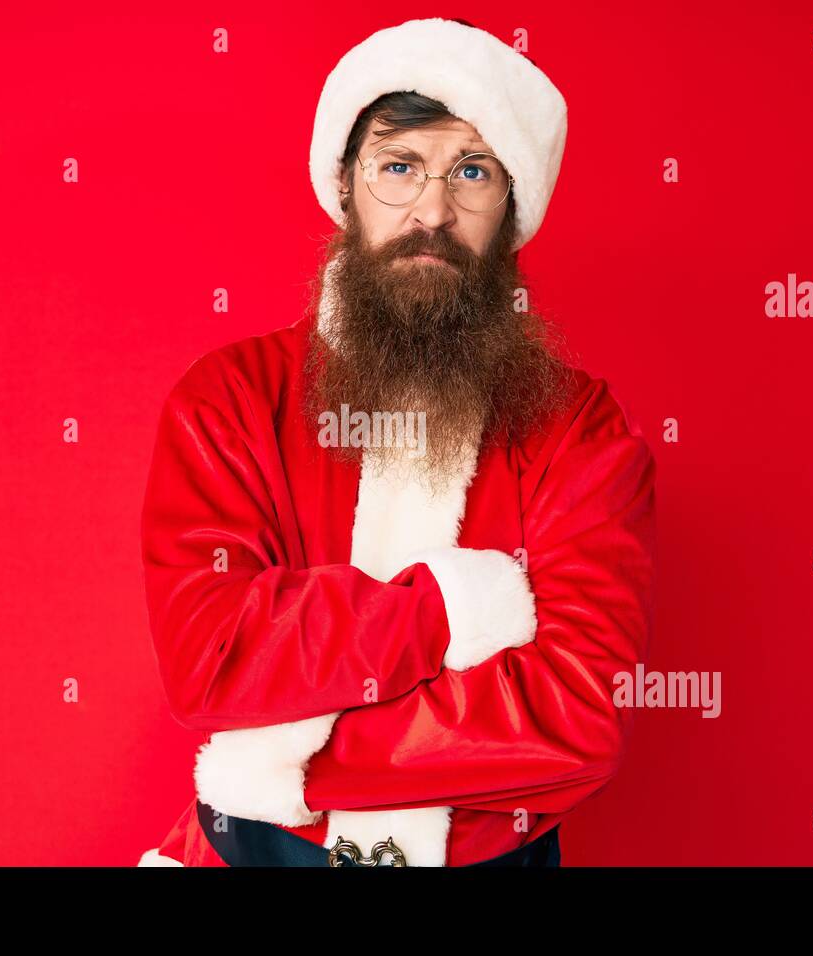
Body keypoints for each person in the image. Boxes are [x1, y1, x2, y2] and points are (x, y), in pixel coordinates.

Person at [137, 17, 656, 867]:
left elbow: (577, 720)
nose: (433, 209)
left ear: (511, 205)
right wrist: (455, 608)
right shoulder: (226, 402)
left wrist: (278, 757)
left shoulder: (582, 429)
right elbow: (213, 659)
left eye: (474, 172)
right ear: (346, 186)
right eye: (399, 166)